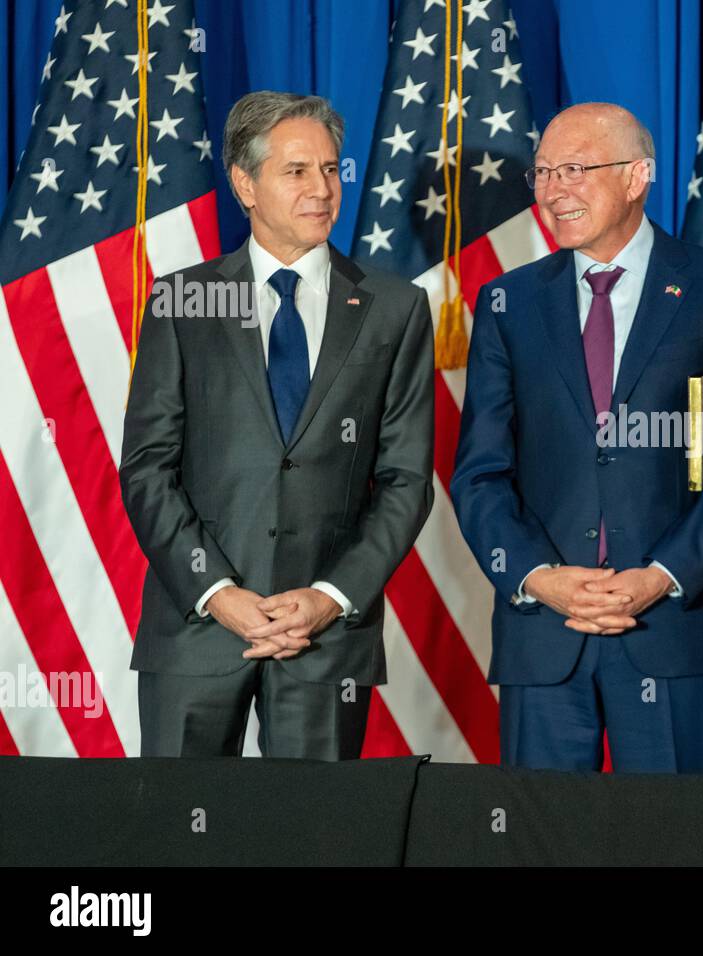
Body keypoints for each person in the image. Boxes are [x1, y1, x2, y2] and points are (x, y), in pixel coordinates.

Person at [451, 103, 703, 773]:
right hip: (546, 632)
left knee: (675, 842)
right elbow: (479, 473)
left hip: (676, 626)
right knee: (540, 843)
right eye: (543, 173)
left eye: (574, 169)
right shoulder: (507, 303)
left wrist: (661, 576)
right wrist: (539, 578)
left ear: (637, 176)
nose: (552, 190)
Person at [120, 92, 435, 759]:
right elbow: (148, 466)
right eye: (297, 171)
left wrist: (329, 596)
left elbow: (406, 480)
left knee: (315, 847)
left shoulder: (394, 309)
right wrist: (217, 592)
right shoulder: (183, 301)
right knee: (180, 843)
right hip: (197, 632)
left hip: (325, 641)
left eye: (330, 170)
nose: (322, 189)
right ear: (245, 184)